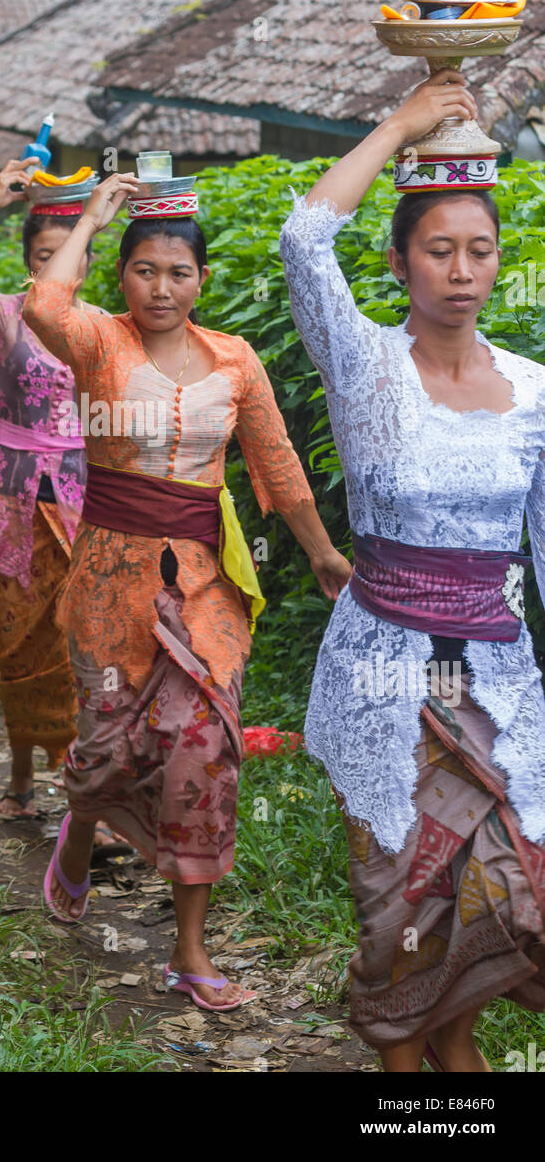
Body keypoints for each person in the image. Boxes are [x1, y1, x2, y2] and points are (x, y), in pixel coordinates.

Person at [23, 170, 350, 1010]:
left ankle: (190, 950)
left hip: (204, 583)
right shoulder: (97, 342)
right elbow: (40, 309)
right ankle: (82, 826)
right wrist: (95, 212)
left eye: (179, 272)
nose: (161, 287)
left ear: (201, 279)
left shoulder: (236, 362)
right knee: (104, 745)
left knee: (203, 745)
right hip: (107, 577)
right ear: (120, 275)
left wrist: (321, 554)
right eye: (144, 270)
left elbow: (276, 463)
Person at [278, 69, 545, 1072]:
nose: (461, 269)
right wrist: (400, 124)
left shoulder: (531, 392)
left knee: (493, 896)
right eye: (438, 248)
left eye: (479, 249)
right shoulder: (363, 367)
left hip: (498, 684)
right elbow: (303, 241)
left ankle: (455, 1061)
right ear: (398, 260)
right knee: (396, 908)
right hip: (381, 678)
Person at [0, 158, 123, 825]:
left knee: (78, 647)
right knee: (14, 642)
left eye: (65, 256)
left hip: (83, 506)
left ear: (88, 262)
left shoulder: (103, 330)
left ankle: (82, 790)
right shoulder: (3, 318)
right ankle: (19, 778)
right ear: (28, 260)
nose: (53, 267)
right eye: (42, 256)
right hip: (9, 504)